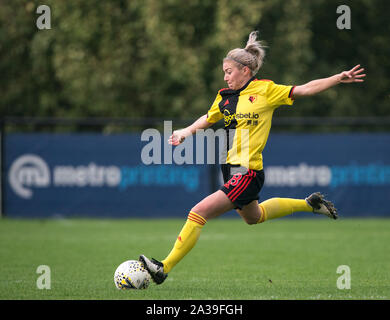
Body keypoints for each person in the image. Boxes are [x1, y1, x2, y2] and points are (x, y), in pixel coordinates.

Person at [139, 31, 366, 285]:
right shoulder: (224, 97)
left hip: (247, 172)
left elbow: (304, 89)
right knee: (253, 217)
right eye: (224, 72)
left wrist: (338, 77)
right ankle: (310, 204)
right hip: (232, 170)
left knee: (198, 212)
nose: (225, 76)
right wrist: (186, 131)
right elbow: (209, 117)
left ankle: (163, 267)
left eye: (229, 71)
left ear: (246, 70)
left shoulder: (266, 90)